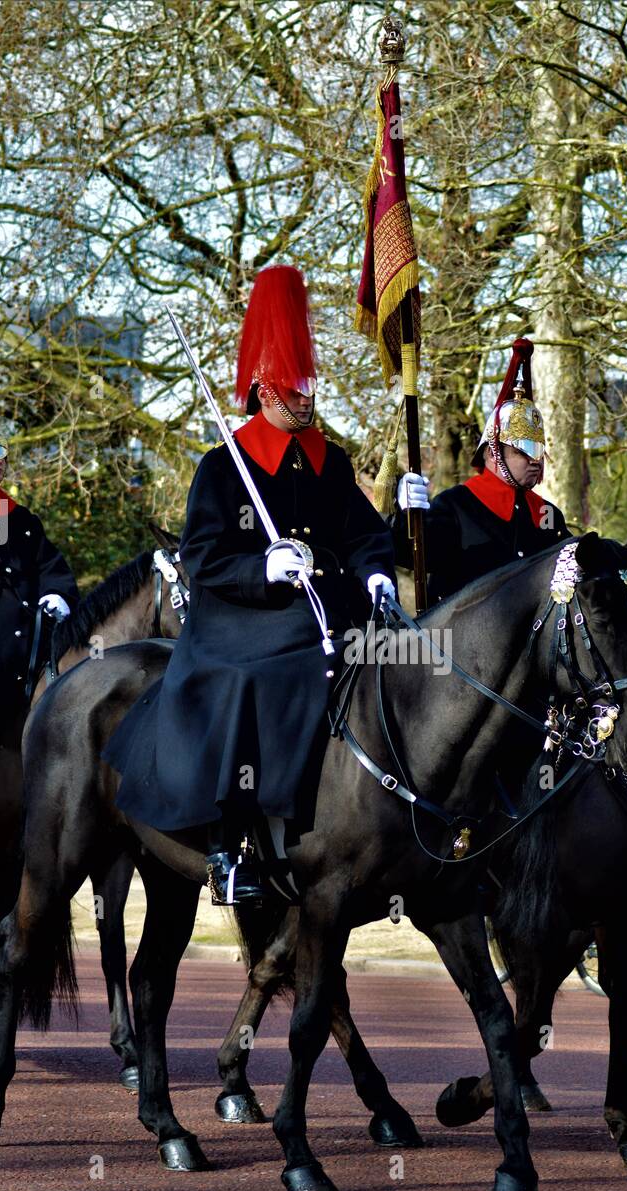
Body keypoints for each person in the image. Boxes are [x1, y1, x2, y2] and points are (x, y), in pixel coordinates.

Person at [103, 267, 397, 905]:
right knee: (251, 677)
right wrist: (263, 568)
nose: (308, 395)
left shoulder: (330, 458)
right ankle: (230, 844)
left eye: (310, 381)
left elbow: (363, 532)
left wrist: (376, 573)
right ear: (266, 388)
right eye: (296, 383)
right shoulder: (224, 464)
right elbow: (203, 556)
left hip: (331, 606)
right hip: (241, 615)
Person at [0, 369, 78, 804]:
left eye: (3, 453)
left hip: (33, 622)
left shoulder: (21, 516)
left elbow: (51, 566)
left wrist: (58, 595)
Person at [391, 339, 571, 605]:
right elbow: (409, 555)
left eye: (538, 452)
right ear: (491, 454)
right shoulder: (456, 506)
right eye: (522, 451)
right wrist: (406, 514)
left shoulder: (548, 515)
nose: (534, 461)